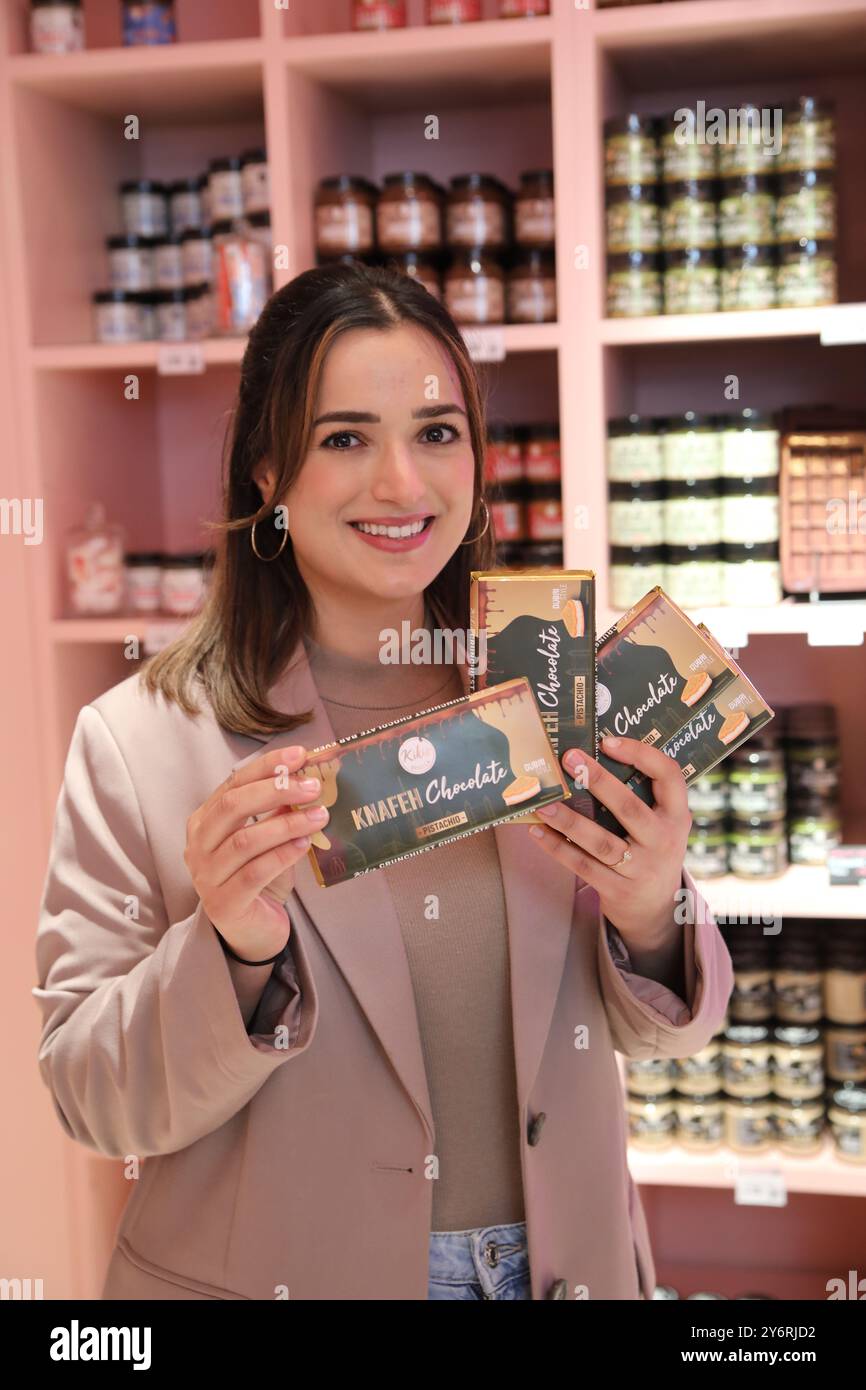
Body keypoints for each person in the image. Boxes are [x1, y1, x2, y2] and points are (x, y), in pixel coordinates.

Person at [33, 262, 732, 1301]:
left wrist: (650, 910)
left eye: (437, 432)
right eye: (345, 438)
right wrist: (230, 949)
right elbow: (93, 1099)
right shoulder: (139, 741)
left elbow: (665, 1028)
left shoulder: (544, 687)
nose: (403, 485)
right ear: (266, 472)